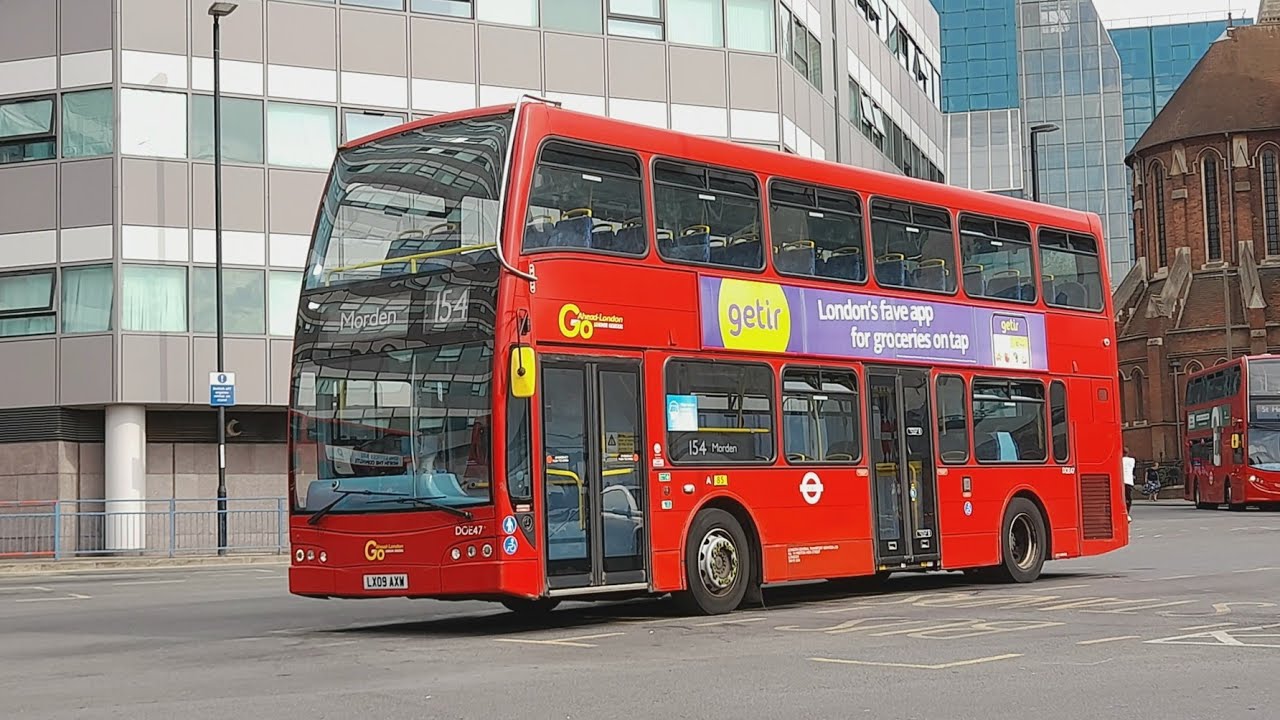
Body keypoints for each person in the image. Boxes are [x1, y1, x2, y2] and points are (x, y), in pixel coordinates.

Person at [1122, 447, 1135, 521]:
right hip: (1129, 481)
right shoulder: (1132, 460)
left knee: (1122, 499)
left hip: (1121, 481)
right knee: (1128, 499)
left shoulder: (1119, 460)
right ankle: (1127, 513)